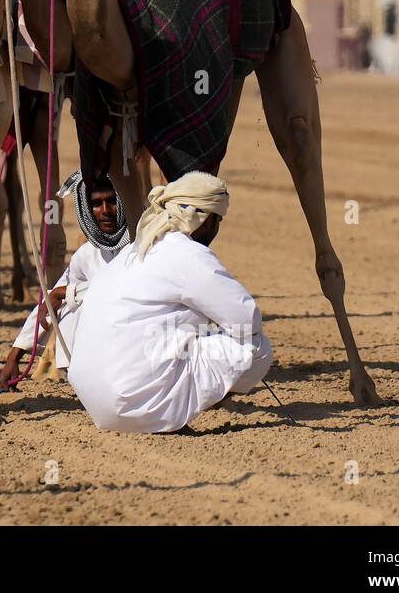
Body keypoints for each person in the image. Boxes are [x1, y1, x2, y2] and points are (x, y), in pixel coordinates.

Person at [67, 172, 273, 433]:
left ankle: (167, 406)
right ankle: (172, 415)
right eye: (218, 220)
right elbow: (247, 318)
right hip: (140, 406)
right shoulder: (188, 253)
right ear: (207, 219)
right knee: (255, 345)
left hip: (99, 408)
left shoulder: (133, 249)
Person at [0, 172, 129, 391]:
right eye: (96, 204)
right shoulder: (87, 254)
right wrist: (14, 357)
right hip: (106, 355)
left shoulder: (141, 243)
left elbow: (127, 290)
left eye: (112, 201)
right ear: (87, 210)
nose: (105, 211)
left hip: (139, 345)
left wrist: (68, 293)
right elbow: (52, 300)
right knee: (63, 306)